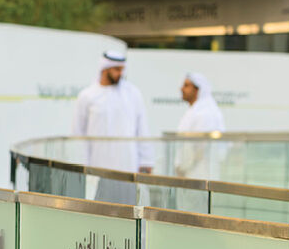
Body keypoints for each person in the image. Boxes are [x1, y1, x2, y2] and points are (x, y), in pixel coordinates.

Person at [71, 47, 154, 202]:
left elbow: (142, 128)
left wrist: (146, 161)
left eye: (122, 69)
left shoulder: (133, 93)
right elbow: (78, 134)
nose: (120, 74)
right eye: (116, 69)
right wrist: (82, 166)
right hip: (99, 166)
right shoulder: (87, 96)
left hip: (128, 165)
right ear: (105, 68)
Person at [173, 72, 226, 180]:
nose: (182, 89)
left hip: (200, 174)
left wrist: (183, 167)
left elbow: (200, 147)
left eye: (186, 86)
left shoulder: (206, 112)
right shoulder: (194, 110)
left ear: (197, 90)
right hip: (189, 173)